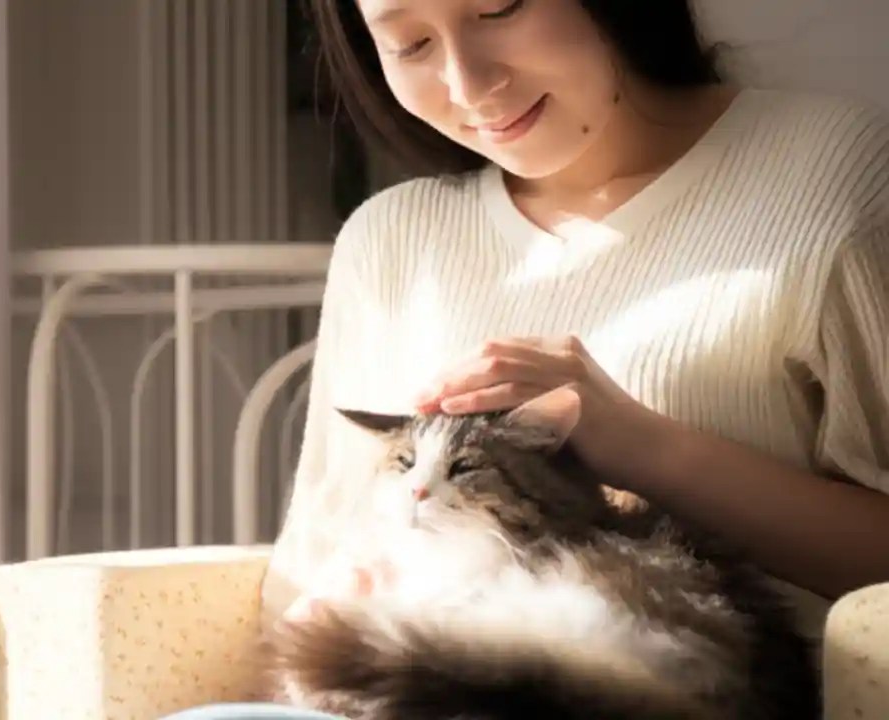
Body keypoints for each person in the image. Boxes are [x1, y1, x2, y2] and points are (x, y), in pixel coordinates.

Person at [167, 0, 889, 716]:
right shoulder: (388, 240)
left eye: (499, 7)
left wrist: (641, 445)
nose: (469, 84)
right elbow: (313, 570)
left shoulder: (837, 175)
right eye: (411, 43)